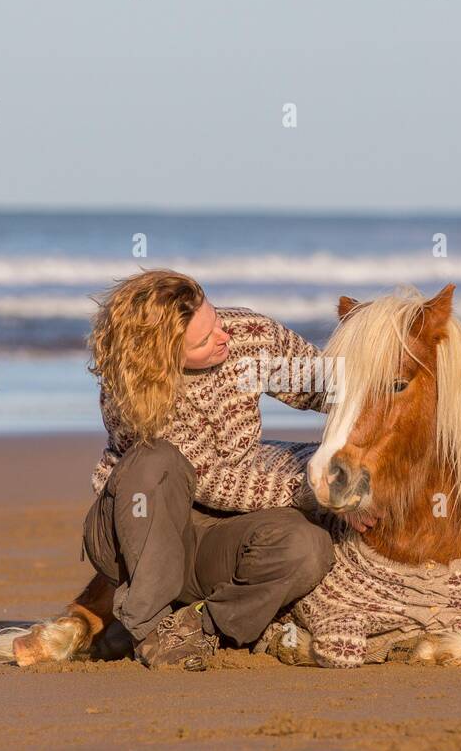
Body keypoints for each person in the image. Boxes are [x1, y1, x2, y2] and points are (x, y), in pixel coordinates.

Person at [82, 268, 344, 670]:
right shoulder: (133, 386)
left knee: (307, 548)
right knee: (156, 460)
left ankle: (201, 625)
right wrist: (315, 492)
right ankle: (149, 629)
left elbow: (327, 385)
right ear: (161, 356)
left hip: (216, 534)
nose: (223, 337)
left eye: (216, 320)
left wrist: (392, 380)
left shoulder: (247, 340)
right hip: (137, 529)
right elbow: (212, 482)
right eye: (203, 340)